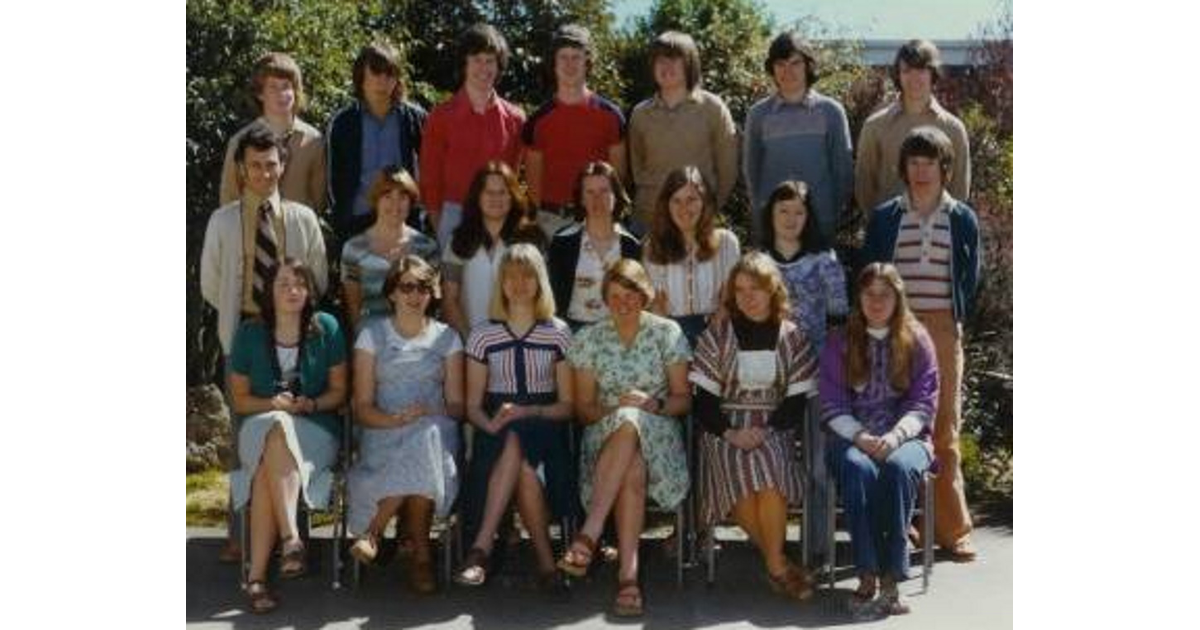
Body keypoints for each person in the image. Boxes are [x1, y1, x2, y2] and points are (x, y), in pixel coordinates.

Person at [861, 126, 981, 562]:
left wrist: (954, 320)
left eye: (930, 163)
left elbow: (971, 276)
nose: (921, 171)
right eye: (913, 162)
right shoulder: (887, 216)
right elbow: (871, 274)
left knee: (944, 428)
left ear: (945, 168)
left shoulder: (961, 218)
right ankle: (904, 522)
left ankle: (953, 530)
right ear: (904, 168)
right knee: (894, 424)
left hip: (943, 329)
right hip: (897, 329)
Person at [558, 259, 691, 618]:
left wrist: (653, 404)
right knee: (629, 450)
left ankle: (590, 533)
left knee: (633, 428)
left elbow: (683, 400)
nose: (623, 303)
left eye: (631, 294)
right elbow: (584, 410)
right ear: (604, 299)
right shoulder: (589, 338)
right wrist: (617, 409)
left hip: (659, 436)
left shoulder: (667, 333)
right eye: (615, 296)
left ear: (644, 295)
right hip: (603, 435)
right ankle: (627, 576)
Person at [690, 252, 819, 600]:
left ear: (772, 290)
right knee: (742, 482)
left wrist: (764, 430)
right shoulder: (717, 335)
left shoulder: (793, 336)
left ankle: (776, 565)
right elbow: (703, 401)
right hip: (723, 428)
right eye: (740, 290)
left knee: (769, 475)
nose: (748, 297)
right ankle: (779, 566)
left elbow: (795, 401)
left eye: (756, 289)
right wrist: (731, 432)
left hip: (773, 426)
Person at [226, 259, 348, 614]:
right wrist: (272, 403)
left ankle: (257, 578)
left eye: (299, 283)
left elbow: (339, 392)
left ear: (309, 290)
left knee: (267, 468)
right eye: (283, 284)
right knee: (275, 426)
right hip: (259, 427)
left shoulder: (326, 327)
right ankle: (291, 538)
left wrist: (312, 403)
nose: (293, 290)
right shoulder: (249, 333)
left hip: (315, 430)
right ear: (269, 291)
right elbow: (240, 400)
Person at [454, 245, 574, 597]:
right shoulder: (482, 334)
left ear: (540, 281)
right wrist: (489, 424)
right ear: (501, 283)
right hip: (495, 427)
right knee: (517, 453)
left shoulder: (558, 332)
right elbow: (473, 407)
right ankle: (547, 565)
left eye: (527, 276)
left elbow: (568, 406)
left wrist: (530, 411)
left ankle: (480, 549)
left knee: (519, 438)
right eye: (511, 277)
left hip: (545, 424)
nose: (519, 284)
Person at [819, 262, 939, 616]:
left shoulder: (917, 339)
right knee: (858, 469)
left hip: (908, 438)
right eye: (869, 294)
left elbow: (924, 401)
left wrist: (895, 436)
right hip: (852, 437)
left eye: (884, 295)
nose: (876, 302)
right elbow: (831, 401)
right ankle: (867, 573)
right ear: (858, 297)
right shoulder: (840, 341)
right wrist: (860, 437)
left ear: (897, 298)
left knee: (898, 469)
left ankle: (891, 578)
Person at [345, 256, 463, 595]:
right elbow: (362, 407)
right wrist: (393, 420)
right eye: (407, 287)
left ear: (433, 293)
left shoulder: (447, 338)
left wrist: (429, 411)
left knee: (425, 435)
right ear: (392, 293)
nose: (415, 295)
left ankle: (374, 531)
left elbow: (457, 407)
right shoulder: (371, 336)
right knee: (420, 443)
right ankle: (422, 556)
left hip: (435, 429)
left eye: (423, 287)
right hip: (383, 430)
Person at [760, 180, 849, 567]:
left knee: (817, 465)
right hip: (767, 380)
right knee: (772, 464)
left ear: (809, 217)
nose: (791, 218)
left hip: (815, 378)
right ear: (770, 214)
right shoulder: (758, 262)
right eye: (783, 210)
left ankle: (817, 547)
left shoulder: (824, 261)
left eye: (799, 211)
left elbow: (839, 322)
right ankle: (773, 549)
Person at [202, 122, 329, 361]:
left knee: (290, 386)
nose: (265, 174)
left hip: (292, 329)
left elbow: (317, 278)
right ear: (242, 169)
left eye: (271, 165)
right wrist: (235, 307)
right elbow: (210, 282)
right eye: (255, 166)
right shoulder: (222, 221)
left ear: (283, 166)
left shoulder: (304, 219)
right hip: (240, 328)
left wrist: (288, 309)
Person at [421, 24, 526, 249]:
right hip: (453, 217)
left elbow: (513, 179)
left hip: (500, 217)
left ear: (499, 66)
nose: (483, 67)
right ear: (465, 63)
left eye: (490, 61)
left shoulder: (516, 119)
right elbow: (430, 180)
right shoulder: (441, 116)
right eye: (477, 59)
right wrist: (441, 228)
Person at [743, 32, 853, 244]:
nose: (788, 71)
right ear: (772, 68)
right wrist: (761, 215)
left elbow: (842, 171)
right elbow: (751, 171)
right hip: (772, 228)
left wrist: (830, 215)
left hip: (820, 225)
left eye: (795, 63)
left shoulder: (831, 111)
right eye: (781, 64)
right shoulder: (758, 115)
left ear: (808, 66)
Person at [626, 31, 737, 233]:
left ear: (689, 63)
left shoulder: (713, 108)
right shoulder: (640, 114)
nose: (666, 66)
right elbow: (637, 169)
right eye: (660, 60)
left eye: (674, 59)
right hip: (648, 222)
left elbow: (727, 170)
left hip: (696, 224)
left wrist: (707, 211)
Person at [523, 24, 626, 239]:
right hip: (551, 222)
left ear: (587, 62)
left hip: (597, 218)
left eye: (576, 57)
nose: (569, 64)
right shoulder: (538, 121)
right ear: (554, 63)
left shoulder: (612, 116)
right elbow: (533, 188)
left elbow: (618, 179)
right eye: (563, 57)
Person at [327, 40, 428, 243]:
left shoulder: (414, 119)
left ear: (397, 78)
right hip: (356, 225)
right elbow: (333, 181)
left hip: (404, 224)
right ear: (361, 75)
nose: (382, 81)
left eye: (389, 74)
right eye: (376, 72)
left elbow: (430, 170)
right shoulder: (342, 123)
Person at [855, 39, 970, 212]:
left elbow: (959, 189)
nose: (914, 78)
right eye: (907, 70)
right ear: (898, 75)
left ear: (933, 73)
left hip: (940, 226)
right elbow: (864, 187)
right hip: (889, 226)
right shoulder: (875, 126)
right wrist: (880, 223)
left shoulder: (954, 129)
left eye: (921, 70)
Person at [441, 161, 544, 339]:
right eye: (489, 192)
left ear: (513, 196)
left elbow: (541, 296)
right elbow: (450, 299)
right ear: (477, 197)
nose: (496, 199)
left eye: (502, 192)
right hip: (470, 341)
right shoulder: (458, 240)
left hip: (522, 341)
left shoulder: (531, 239)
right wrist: (471, 342)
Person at [642, 166, 740, 346]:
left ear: (705, 202)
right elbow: (656, 305)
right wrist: (671, 344)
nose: (684, 208)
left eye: (691, 200)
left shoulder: (727, 242)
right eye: (676, 201)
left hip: (717, 331)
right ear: (666, 205)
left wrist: (714, 334)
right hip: (671, 334)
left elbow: (730, 298)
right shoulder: (653, 247)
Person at [220, 52, 327, 213]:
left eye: (286, 86)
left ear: (295, 91)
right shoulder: (240, 141)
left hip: (298, 227)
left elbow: (318, 199)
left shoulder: (314, 140)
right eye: (273, 87)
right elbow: (229, 199)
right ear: (260, 94)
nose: (281, 94)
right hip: (252, 227)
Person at [340, 166, 439, 332]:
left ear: (411, 201)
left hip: (416, 337)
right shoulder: (353, 248)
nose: (395, 204)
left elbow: (432, 304)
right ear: (376, 200)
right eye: (387, 196)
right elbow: (353, 309)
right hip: (370, 338)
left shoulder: (427, 247)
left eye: (402, 197)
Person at [546, 161, 641, 332]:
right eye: (590, 192)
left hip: (619, 332)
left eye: (604, 191)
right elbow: (552, 298)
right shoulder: (563, 242)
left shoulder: (632, 244)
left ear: (616, 195)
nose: (597, 199)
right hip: (573, 332)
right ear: (581, 198)